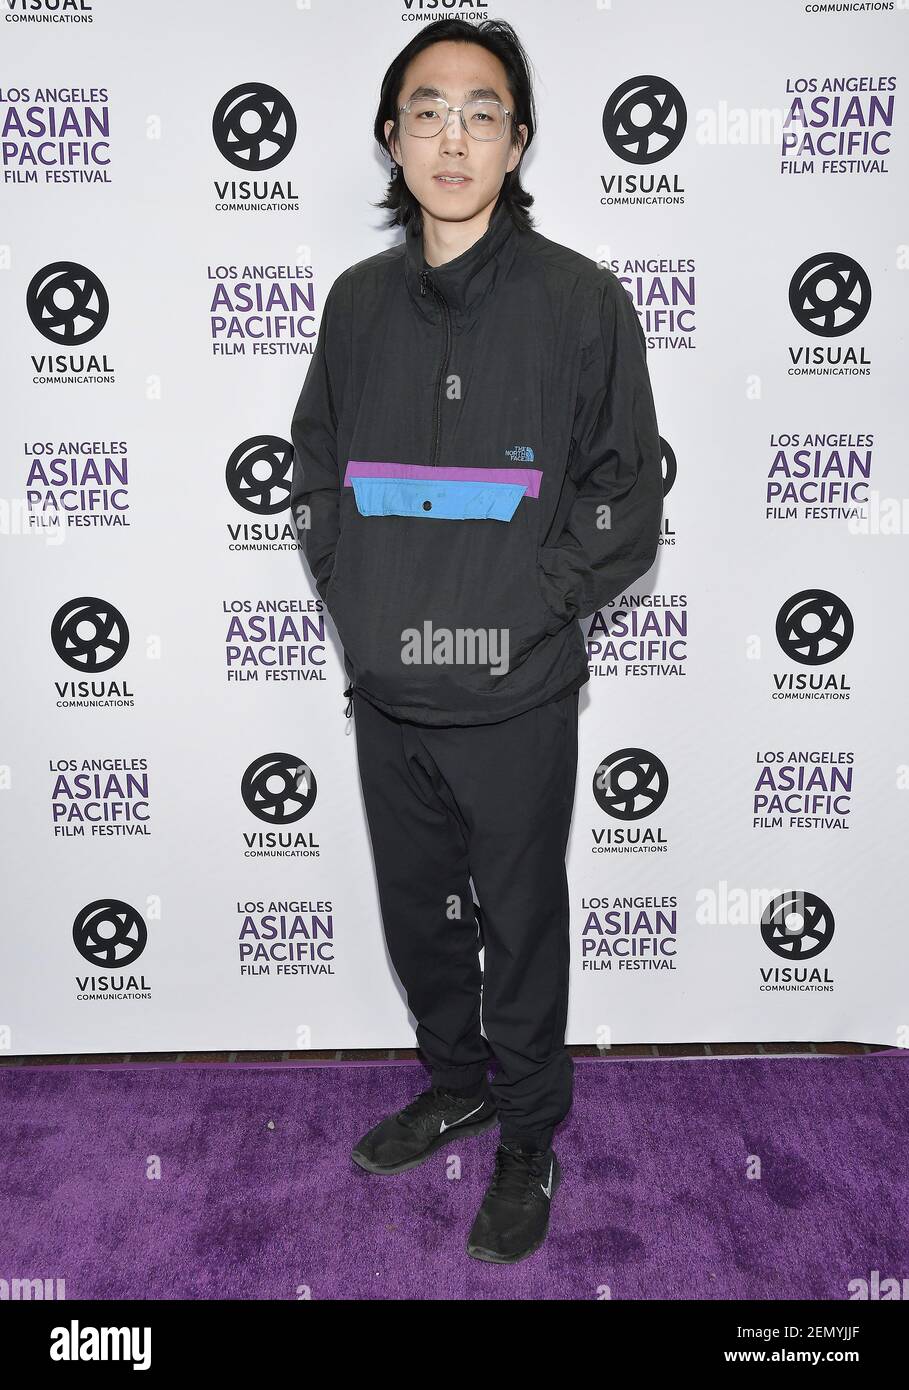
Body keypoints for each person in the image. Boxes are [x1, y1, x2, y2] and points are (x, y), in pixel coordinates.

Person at [290, 17, 663, 1264]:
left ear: (519, 140)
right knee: (421, 922)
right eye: (429, 110)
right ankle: (453, 1079)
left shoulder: (582, 302)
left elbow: (623, 504)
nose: (454, 134)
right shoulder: (353, 304)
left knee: (521, 922)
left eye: (482, 111)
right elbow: (316, 472)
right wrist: (360, 595)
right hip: (388, 693)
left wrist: (513, 614)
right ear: (392, 139)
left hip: (515, 700)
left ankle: (525, 1138)